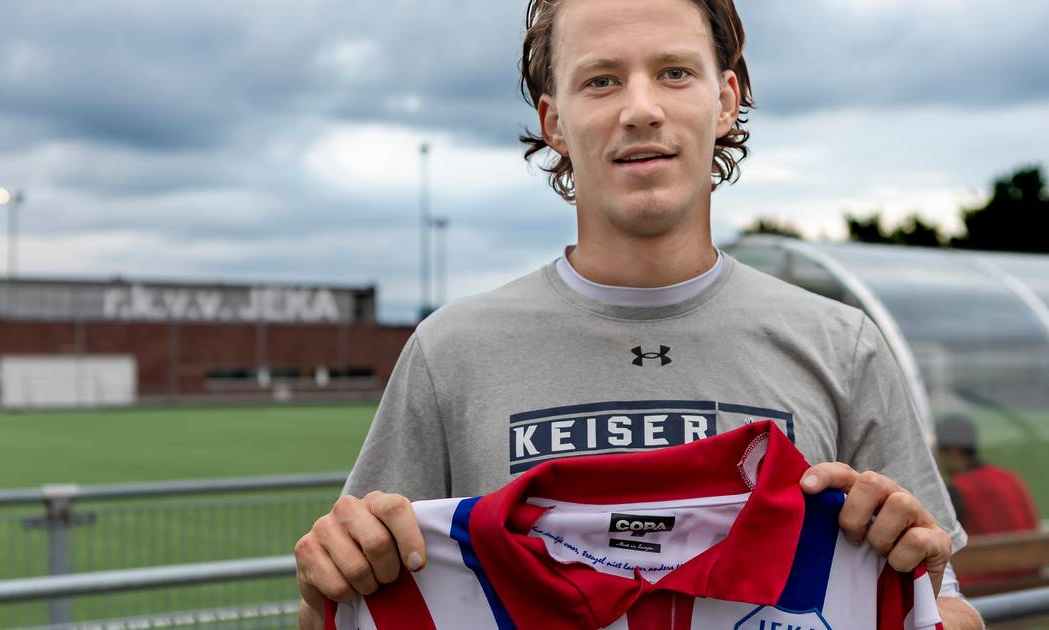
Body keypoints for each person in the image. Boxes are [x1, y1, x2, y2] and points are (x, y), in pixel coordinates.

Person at [295, 0, 983, 627]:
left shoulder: (840, 344)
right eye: (601, 80)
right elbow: (368, 594)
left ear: (726, 102)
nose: (641, 108)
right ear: (553, 121)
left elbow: (951, 606)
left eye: (675, 72)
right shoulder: (450, 352)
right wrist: (330, 587)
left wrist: (923, 587)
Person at [936, 414, 1039, 587]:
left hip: (984, 589)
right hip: (1030, 583)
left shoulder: (958, 490)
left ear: (953, 452)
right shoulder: (1010, 479)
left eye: (939, 452)